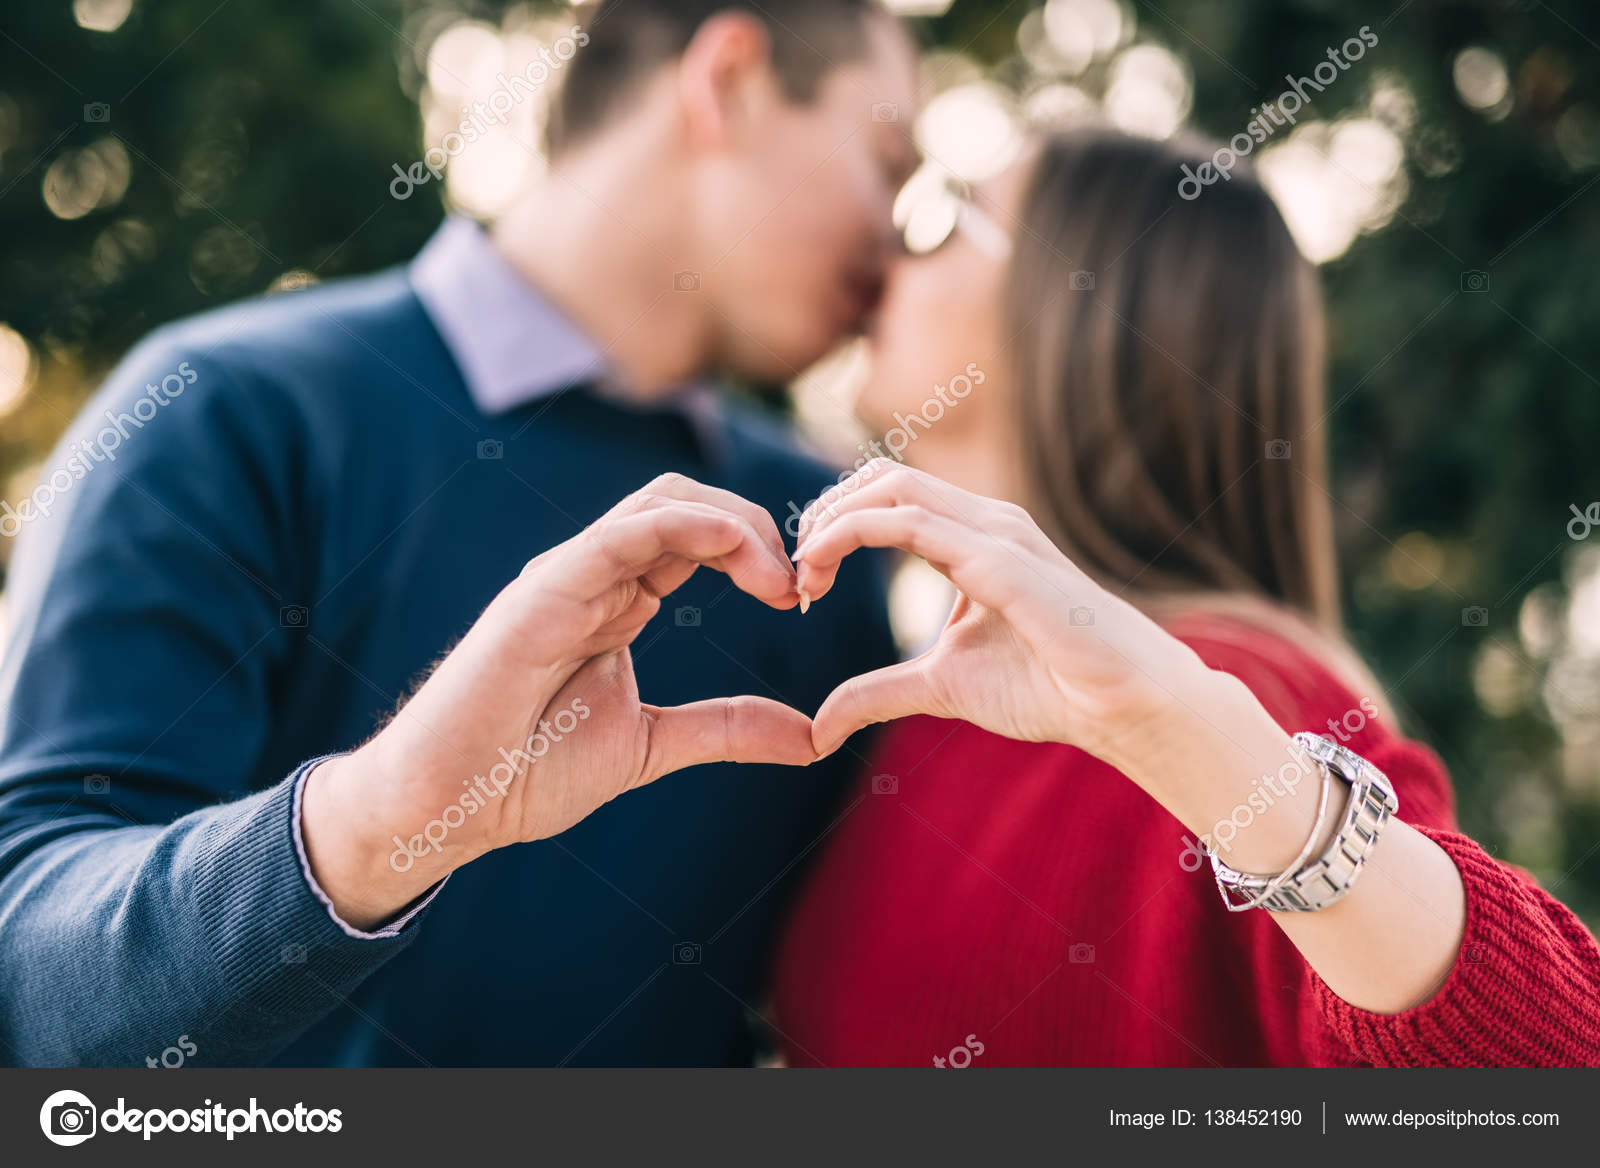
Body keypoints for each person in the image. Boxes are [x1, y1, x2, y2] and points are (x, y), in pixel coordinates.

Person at [0, 0, 918, 1066]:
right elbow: (28, 970)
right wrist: (377, 825)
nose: (896, 241)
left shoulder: (818, 534)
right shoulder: (230, 409)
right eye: (887, 163)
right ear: (729, 78)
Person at [773, 129, 1600, 1066]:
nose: (885, 256)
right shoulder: (932, 696)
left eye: (946, 219)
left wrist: (1209, 753)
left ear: (1081, 309)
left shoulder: (1253, 696)